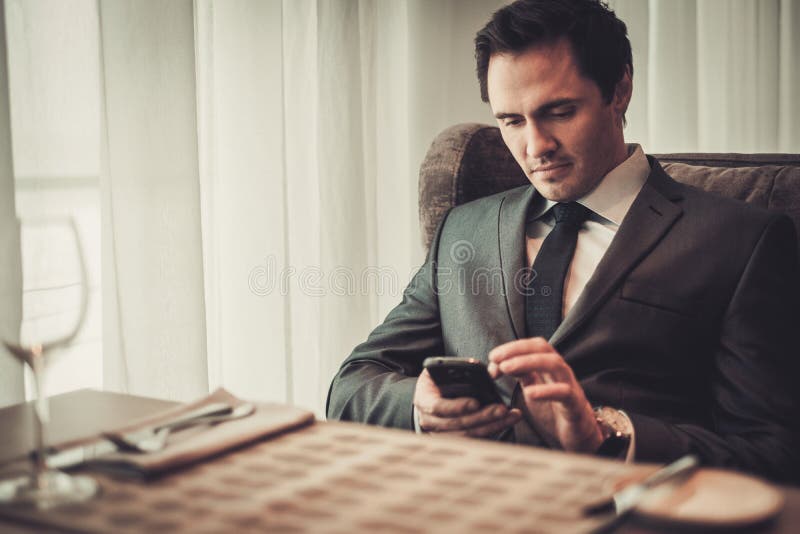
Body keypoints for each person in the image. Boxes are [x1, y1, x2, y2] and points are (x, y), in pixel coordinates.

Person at [326, 0, 800, 482]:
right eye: (511, 121)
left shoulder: (742, 240)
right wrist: (419, 407)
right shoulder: (462, 231)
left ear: (620, 90)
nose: (535, 147)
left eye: (559, 112)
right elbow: (351, 385)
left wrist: (608, 436)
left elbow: (776, 453)